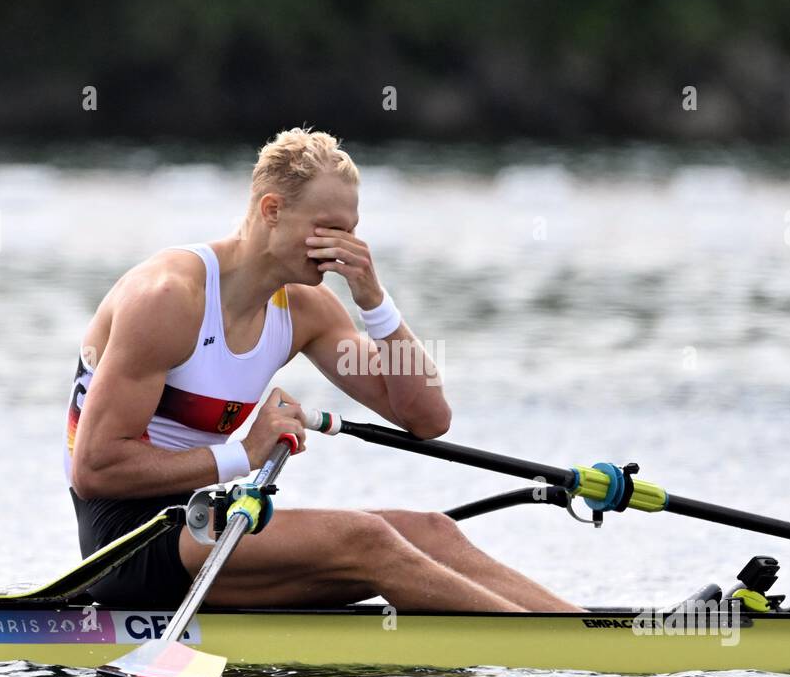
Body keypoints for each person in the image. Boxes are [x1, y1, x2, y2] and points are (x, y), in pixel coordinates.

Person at [66, 127, 582, 613]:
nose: (346, 248)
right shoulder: (168, 299)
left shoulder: (304, 310)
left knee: (431, 531)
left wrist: (375, 302)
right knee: (367, 538)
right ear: (272, 210)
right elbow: (96, 469)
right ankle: (564, 653)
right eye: (330, 229)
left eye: (352, 231)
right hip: (127, 542)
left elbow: (427, 417)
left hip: (205, 522)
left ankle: (584, 631)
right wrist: (243, 454)